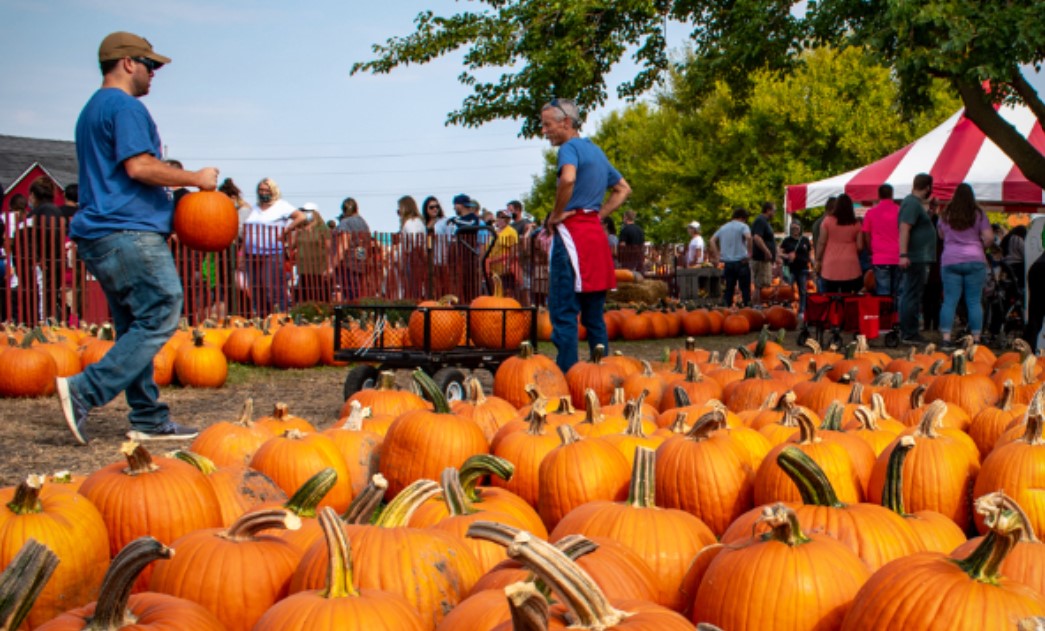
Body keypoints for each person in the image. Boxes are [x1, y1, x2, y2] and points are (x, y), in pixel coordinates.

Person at [58, 31, 220, 445]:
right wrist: (195, 179)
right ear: (127, 63)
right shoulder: (124, 106)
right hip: (128, 229)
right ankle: (84, 390)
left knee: (134, 324)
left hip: (102, 232)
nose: (154, 74)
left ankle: (148, 416)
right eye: (150, 65)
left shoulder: (91, 110)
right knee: (164, 307)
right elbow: (139, 167)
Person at [540, 97, 631, 373]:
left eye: (547, 125)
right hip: (594, 234)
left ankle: (568, 374)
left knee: (564, 311)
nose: (544, 131)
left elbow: (567, 179)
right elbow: (623, 188)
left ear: (566, 122)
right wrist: (600, 214)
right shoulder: (597, 152)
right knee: (594, 315)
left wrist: (556, 213)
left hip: (572, 236)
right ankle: (600, 373)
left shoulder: (569, 149)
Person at [935, 183, 993, 348]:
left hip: (950, 260)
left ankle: (946, 338)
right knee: (974, 301)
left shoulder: (945, 214)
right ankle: (975, 339)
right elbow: (988, 238)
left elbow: (940, 235)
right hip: (974, 260)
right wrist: (980, 246)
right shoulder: (979, 214)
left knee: (949, 301)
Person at [240, 177, 308, 315]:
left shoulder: (281, 205)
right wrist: (242, 253)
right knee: (256, 289)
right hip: (251, 254)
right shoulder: (255, 208)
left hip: (271, 253)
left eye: (266, 189)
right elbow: (247, 230)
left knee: (272, 289)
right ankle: (260, 317)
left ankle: (279, 316)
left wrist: (287, 230)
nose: (263, 192)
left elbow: (301, 216)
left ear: (273, 191)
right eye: (260, 189)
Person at [896, 173, 937, 344]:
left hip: (918, 256)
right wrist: (904, 254)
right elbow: (905, 228)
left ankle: (910, 330)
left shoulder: (915, 204)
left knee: (912, 293)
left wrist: (931, 213)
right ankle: (909, 332)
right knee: (911, 294)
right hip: (914, 257)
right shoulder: (912, 203)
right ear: (928, 187)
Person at [815, 193, 864, 293]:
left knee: (830, 298)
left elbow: (821, 242)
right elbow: (860, 246)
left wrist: (818, 259)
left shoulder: (827, 221)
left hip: (830, 266)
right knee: (848, 298)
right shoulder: (856, 223)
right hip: (851, 266)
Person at [862, 184, 901, 299]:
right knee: (897, 291)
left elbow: (866, 235)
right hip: (898, 256)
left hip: (879, 257)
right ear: (892, 194)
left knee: (883, 292)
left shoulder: (871, 213)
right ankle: (896, 315)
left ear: (878, 195)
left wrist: (871, 251)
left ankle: (885, 316)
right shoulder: (900, 211)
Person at [709, 207, 753, 307]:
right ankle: (747, 309)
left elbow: (712, 240)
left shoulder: (723, 228)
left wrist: (717, 256)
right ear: (743, 218)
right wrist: (749, 253)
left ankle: (727, 310)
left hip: (728, 263)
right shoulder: (743, 226)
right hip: (742, 262)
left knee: (729, 289)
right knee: (745, 289)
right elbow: (749, 237)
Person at [331, 196, 371, 301]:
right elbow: (364, 244)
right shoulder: (363, 223)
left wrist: (333, 264)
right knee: (358, 292)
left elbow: (344, 245)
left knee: (349, 294)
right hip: (360, 262)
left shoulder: (345, 223)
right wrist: (361, 260)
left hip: (347, 264)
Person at [291, 202, 331, 303]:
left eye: (307, 212)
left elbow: (328, 248)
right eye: (303, 212)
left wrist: (329, 266)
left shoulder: (322, 229)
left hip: (318, 268)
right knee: (304, 295)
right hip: (303, 268)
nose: (305, 214)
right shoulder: (300, 229)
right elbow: (292, 245)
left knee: (318, 294)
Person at [778, 220, 812, 317]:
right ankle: (788, 309)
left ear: (800, 228)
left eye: (797, 228)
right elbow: (779, 253)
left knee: (803, 290)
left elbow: (809, 254)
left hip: (803, 269)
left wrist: (812, 265)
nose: (795, 230)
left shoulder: (805, 240)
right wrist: (787, 256)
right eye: (793, 228)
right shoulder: (786, 241)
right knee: (788, 290)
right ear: (790, 229)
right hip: (790, 269)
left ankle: (802, 310)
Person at [750, 201, 777, 305]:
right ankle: (757, 307)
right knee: (761, 285)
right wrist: (767, 251)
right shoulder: (760, 221)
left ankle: (758, 307)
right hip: (761, 259)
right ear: (768, 210)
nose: (774, 213)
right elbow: (757, 237)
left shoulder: (764, 222)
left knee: (761, 284)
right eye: (774, 211)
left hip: (764, 259)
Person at [487, 209, 520, 291]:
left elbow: (513, 249)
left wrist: (508, 264)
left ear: (508, 219)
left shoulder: (511, 232)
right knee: (495, 291)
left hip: (504, 266)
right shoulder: (495, 231)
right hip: (493, 267)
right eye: (498, 217)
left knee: (506, 291)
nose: (499, 219)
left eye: (502, 217)